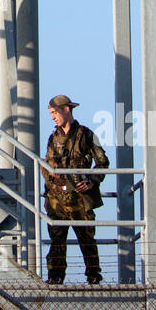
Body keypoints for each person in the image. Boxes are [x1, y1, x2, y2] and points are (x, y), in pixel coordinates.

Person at [42, 94, 109, 284]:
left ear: (66, 110)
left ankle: (93, 276)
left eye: (55, 112)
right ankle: (55, 277)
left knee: (87, 238)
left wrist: (92, 181)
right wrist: (50, 187)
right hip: (57, 199)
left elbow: (103, 162)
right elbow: (46, 166)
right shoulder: (52, 138)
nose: (53, 117)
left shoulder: (87, 135)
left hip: (80, 198)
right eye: (51, 113)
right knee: (57, 240)